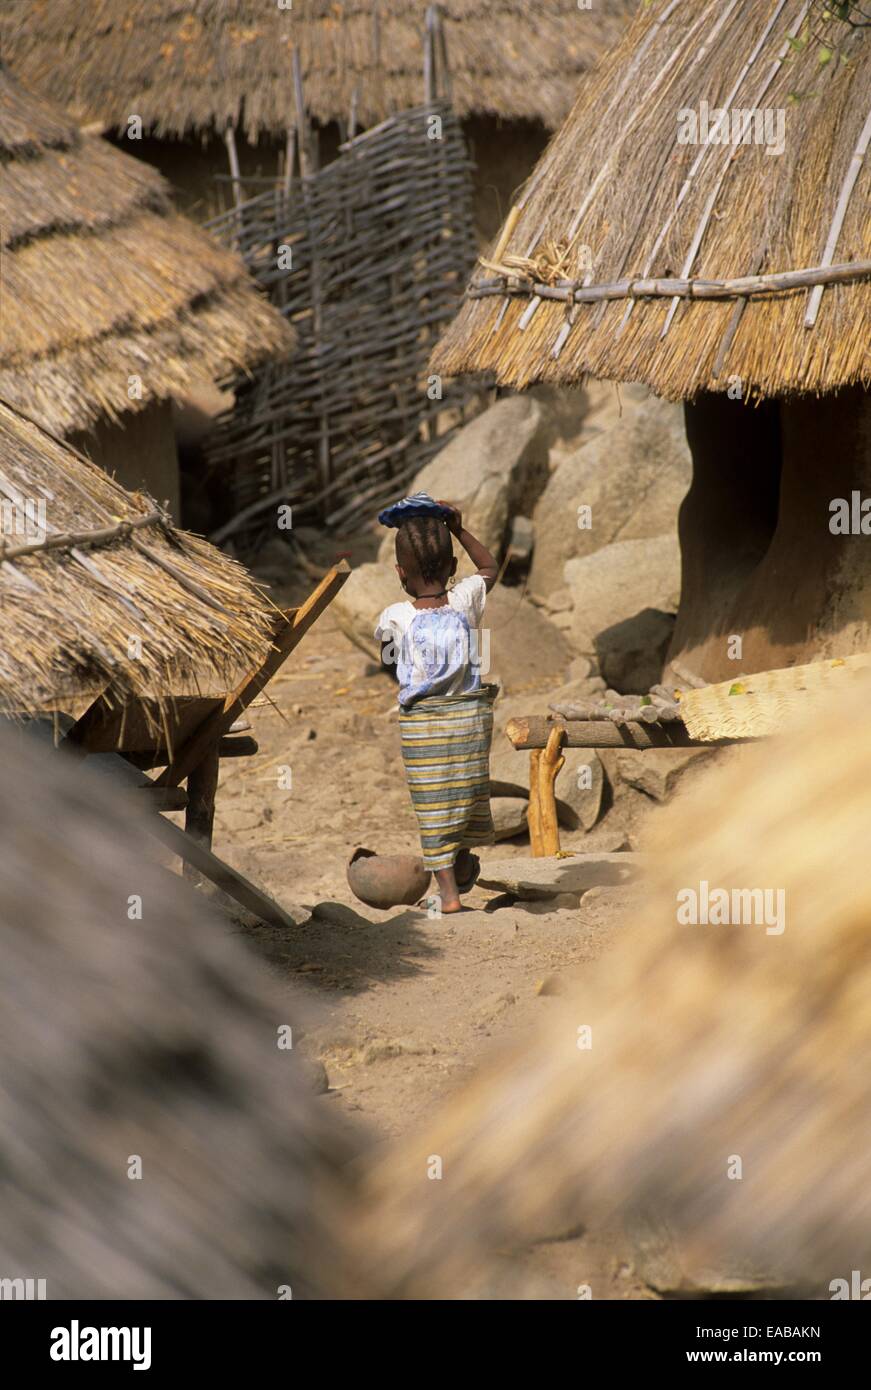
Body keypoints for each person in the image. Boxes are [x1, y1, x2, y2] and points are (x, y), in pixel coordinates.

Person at [375, 501, 498, 913]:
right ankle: (464, 867)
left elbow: (390, 663)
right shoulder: (466, 600)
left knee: (433, 807)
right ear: (452, 565)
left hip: (424, 728)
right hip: (469, 722)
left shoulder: (395, 616)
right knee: (466, 795)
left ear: (399, 574)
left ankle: (449, 895)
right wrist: (460, 530)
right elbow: (490, 569)